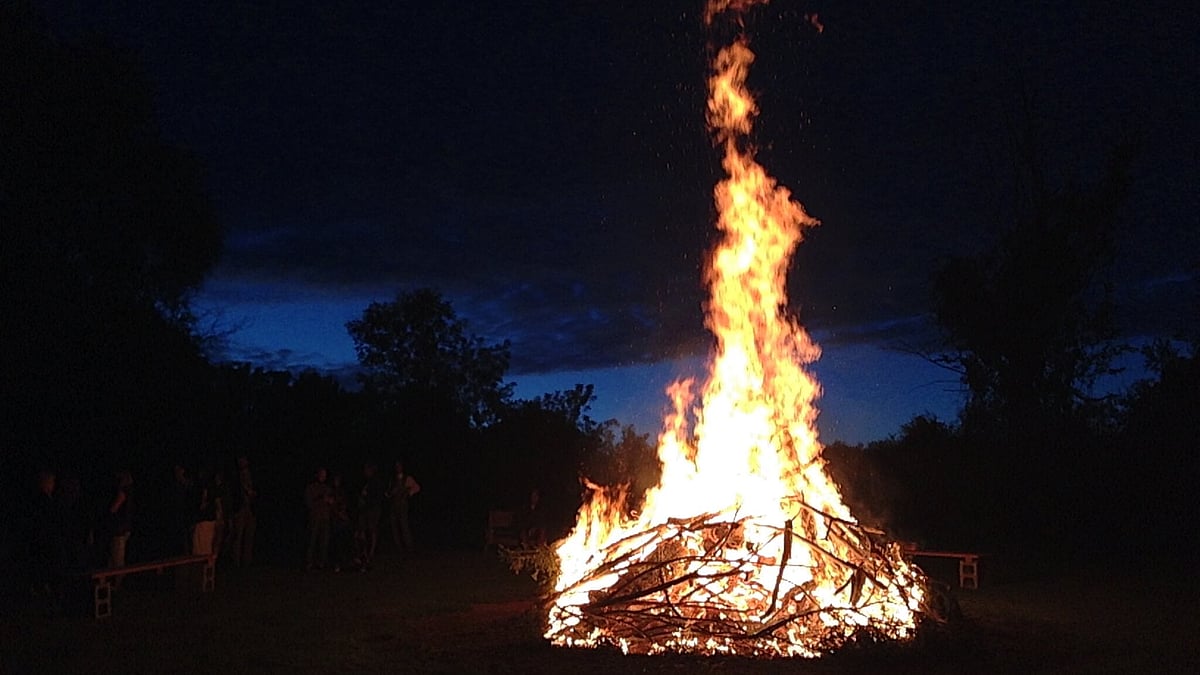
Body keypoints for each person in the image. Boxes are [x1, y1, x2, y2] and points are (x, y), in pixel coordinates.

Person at [386, 460, 420, 554]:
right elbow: (387, 493)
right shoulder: (392, 479)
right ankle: (398, 547)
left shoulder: (407, 478)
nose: (398, 468)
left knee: (404, 525)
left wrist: (408, 493)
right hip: (393, 505)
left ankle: (409, 546)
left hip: (403, 505)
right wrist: (391, 493)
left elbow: (417, 487)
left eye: (399, 466)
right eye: (396, 466)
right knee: (394, 526)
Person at [106, 470, 134, 587]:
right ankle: (112, 585)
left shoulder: (122, 493)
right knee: (116, 558)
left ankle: (116, 585)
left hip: (119, 530)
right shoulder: (130, 493)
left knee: (117, 560)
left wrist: (107, 513)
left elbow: (113, 509)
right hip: (124, 529)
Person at [230, 455, 257, 567]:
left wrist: (254, 495)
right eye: (240, 460)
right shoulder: (235, 477)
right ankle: (235, 561)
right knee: (238, 535)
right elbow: (233, 493)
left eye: (243, 460)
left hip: (251, 508)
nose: (242, 463)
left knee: (249, 535)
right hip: (240, 508)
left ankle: (247, 561)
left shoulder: (252, 475)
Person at [304, 468, 333, 570]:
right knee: (312, 540)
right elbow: (308, 503)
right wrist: (320, 499)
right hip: (315, 517)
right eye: (321, 474)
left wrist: (330, 501)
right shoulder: (311, 488)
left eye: (324, 475)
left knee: (324, 541)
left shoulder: (327, 488)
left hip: (325, 517)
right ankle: (309, 562)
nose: (323, 476)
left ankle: (321, 562)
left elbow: (332, 502)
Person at [356, 463, 385, 567]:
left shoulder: (376, 482)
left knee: (372, 530)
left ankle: (370, 552)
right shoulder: (366, 482)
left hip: (372, 509)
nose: (365, 472)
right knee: (362, 530)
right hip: (365, 510)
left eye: (366, 470)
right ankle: (363, 552)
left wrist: (366, 501)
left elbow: (375, 497)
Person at [329, 473, 352, 572]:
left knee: (344, 541)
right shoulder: (331, 491)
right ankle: (337, 563)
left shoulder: (342, 492)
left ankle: (345, 562)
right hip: (335, 520)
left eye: (338, 480)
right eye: (335, 480)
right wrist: (338, 514)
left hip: (342, 520)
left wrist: (343, 514)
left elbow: (345, 504)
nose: (337, 482)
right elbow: (332, 505)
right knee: (336, 542)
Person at [192, 468, 218, 556]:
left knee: (203, 547)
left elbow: (204, 503)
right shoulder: (209, 486)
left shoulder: (206, 487)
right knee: (202, 546)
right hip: (205, 519)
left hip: (205, 519)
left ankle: (205, 567)